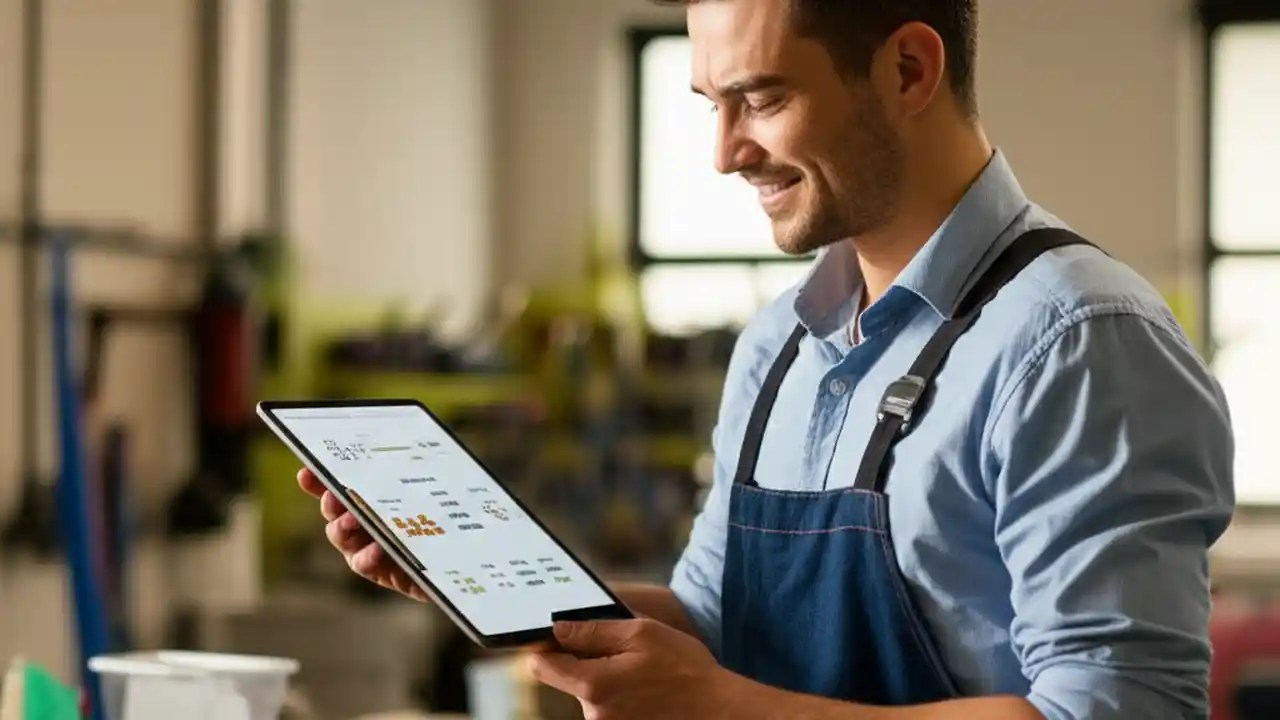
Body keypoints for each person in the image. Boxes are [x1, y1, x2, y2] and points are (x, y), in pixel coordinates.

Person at [297, 0, 1235, 717]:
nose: (723, 153)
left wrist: (723, 707)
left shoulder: (1075, 340)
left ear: (908, 69)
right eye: (711, 104)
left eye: (764, 98)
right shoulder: (780, 343)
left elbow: (1120, 709)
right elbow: (719, 621)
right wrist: (491, 579)